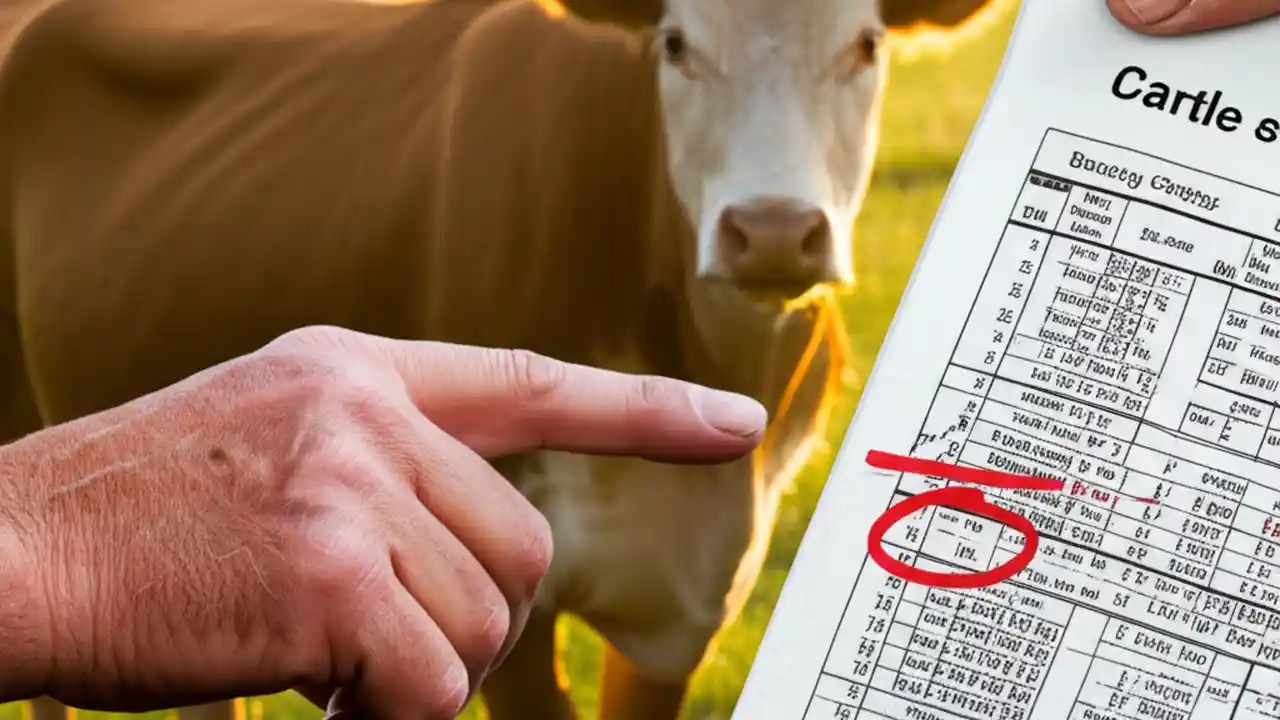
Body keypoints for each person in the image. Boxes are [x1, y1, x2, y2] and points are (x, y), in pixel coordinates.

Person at [0, 2, 1275, 718]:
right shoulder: (63, 69)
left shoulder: (800, 341)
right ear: (642, 44)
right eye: (678, 46)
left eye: (861, 50)